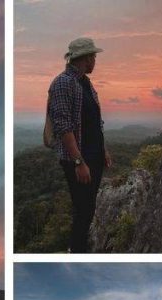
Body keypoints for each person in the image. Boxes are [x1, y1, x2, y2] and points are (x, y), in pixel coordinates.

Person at [48, 37, 112, 253]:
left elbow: (94, 121)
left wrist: (103, 150)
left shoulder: (85, 83)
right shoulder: (63, 83)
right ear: (84, 58)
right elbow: (63, 127)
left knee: (89, 206)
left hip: (93, 156)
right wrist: (79, 162)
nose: (96, 60)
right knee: (83, 208)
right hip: (78, 160)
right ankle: (76, 250)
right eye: (93, 56)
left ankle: (80, 246)